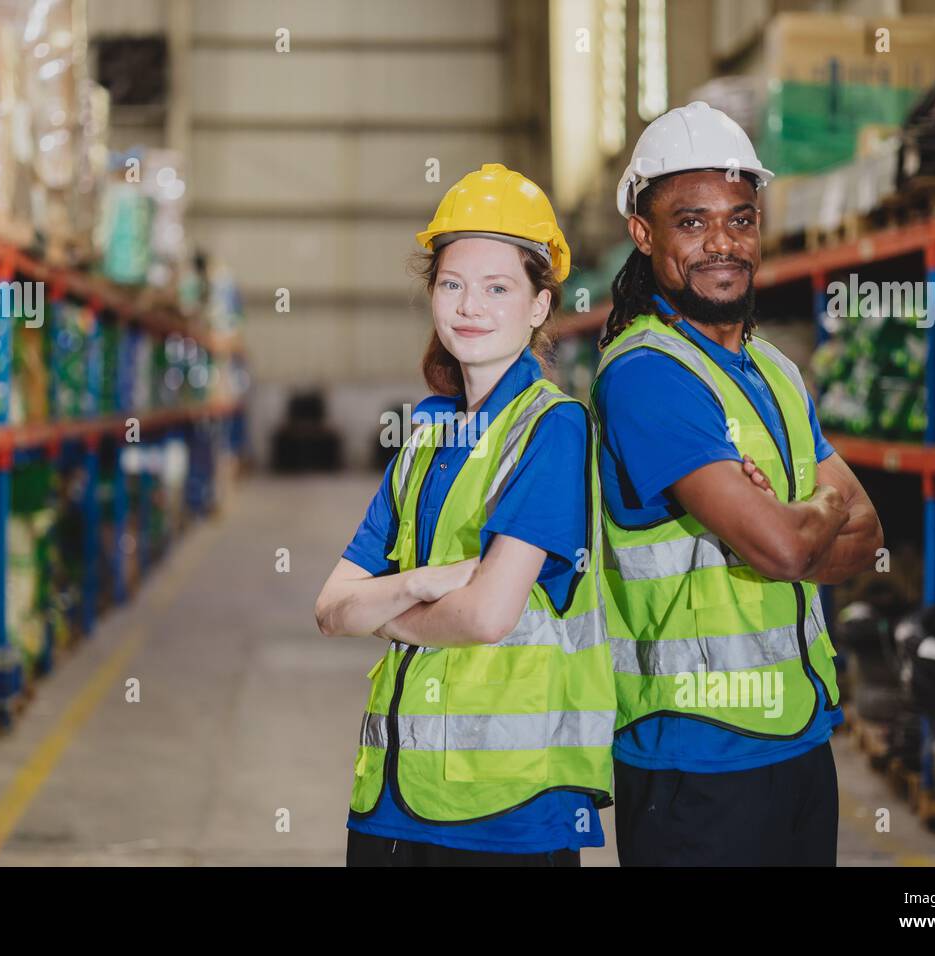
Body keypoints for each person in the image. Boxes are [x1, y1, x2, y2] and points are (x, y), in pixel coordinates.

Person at [592, 102, 884, 866]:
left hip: (799, 738)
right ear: (644, 233)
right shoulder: (648, 375)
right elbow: (790, 547)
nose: (722, 242)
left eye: (740, 218)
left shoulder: (777, 372)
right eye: (691, 222)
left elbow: (870, 536)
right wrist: (810, 513)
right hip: (695, 765)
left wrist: (786, 526)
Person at [315, 163, 617, 867]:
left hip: (503, 816)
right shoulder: (424, 439)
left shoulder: (552, 428)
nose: (469, 306)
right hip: (390, 805)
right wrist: (424, 583)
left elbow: (487, 615)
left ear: (541, 304)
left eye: (498, 287)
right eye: (451, 284)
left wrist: (381, 610)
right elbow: (330, 608)